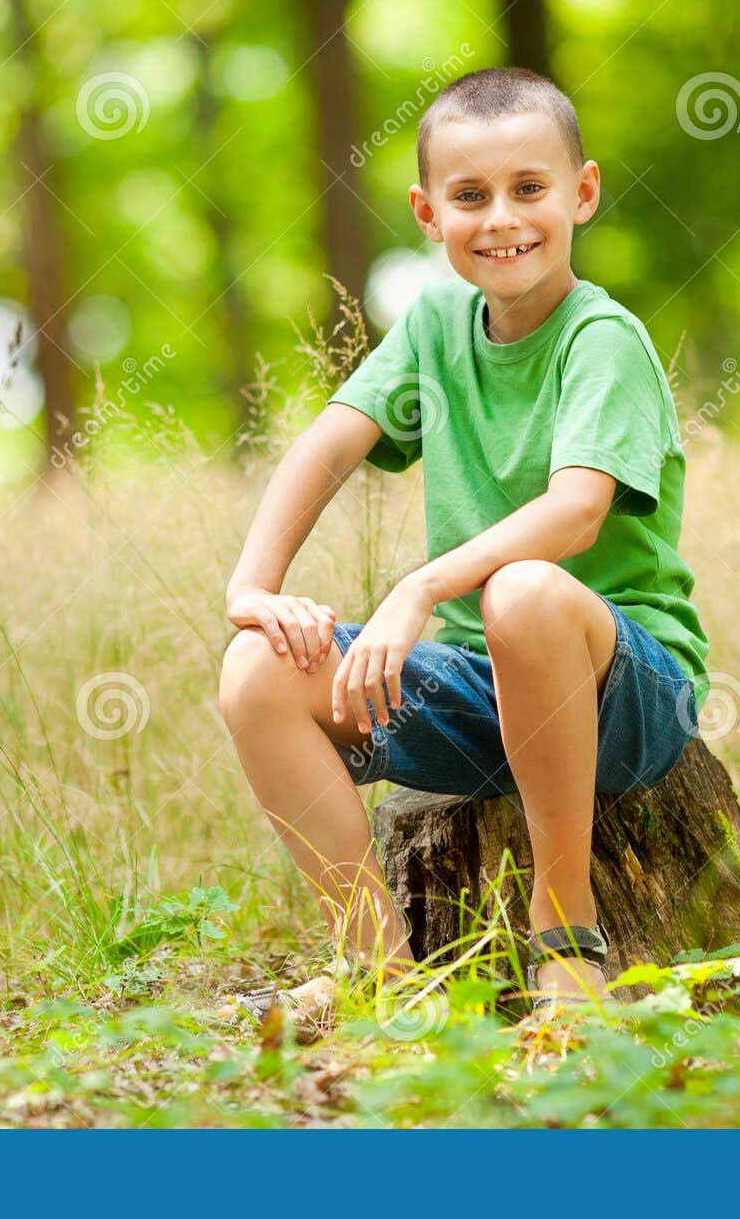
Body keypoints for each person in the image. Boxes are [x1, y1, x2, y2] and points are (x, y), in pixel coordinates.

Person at [218, 66, 709, 1011]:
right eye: (470, 197)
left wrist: (420, 587)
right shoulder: (437, 324)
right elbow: (328, 447)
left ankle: (567, 931)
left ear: (583, 192)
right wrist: (252, 588)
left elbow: (575, 513)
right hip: (489, 695)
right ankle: (382, 972)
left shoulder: (600, 338)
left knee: (520, 592)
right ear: (427, 212)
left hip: (625, 693)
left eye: (530, 189)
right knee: (254, 672)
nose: (502, 220)